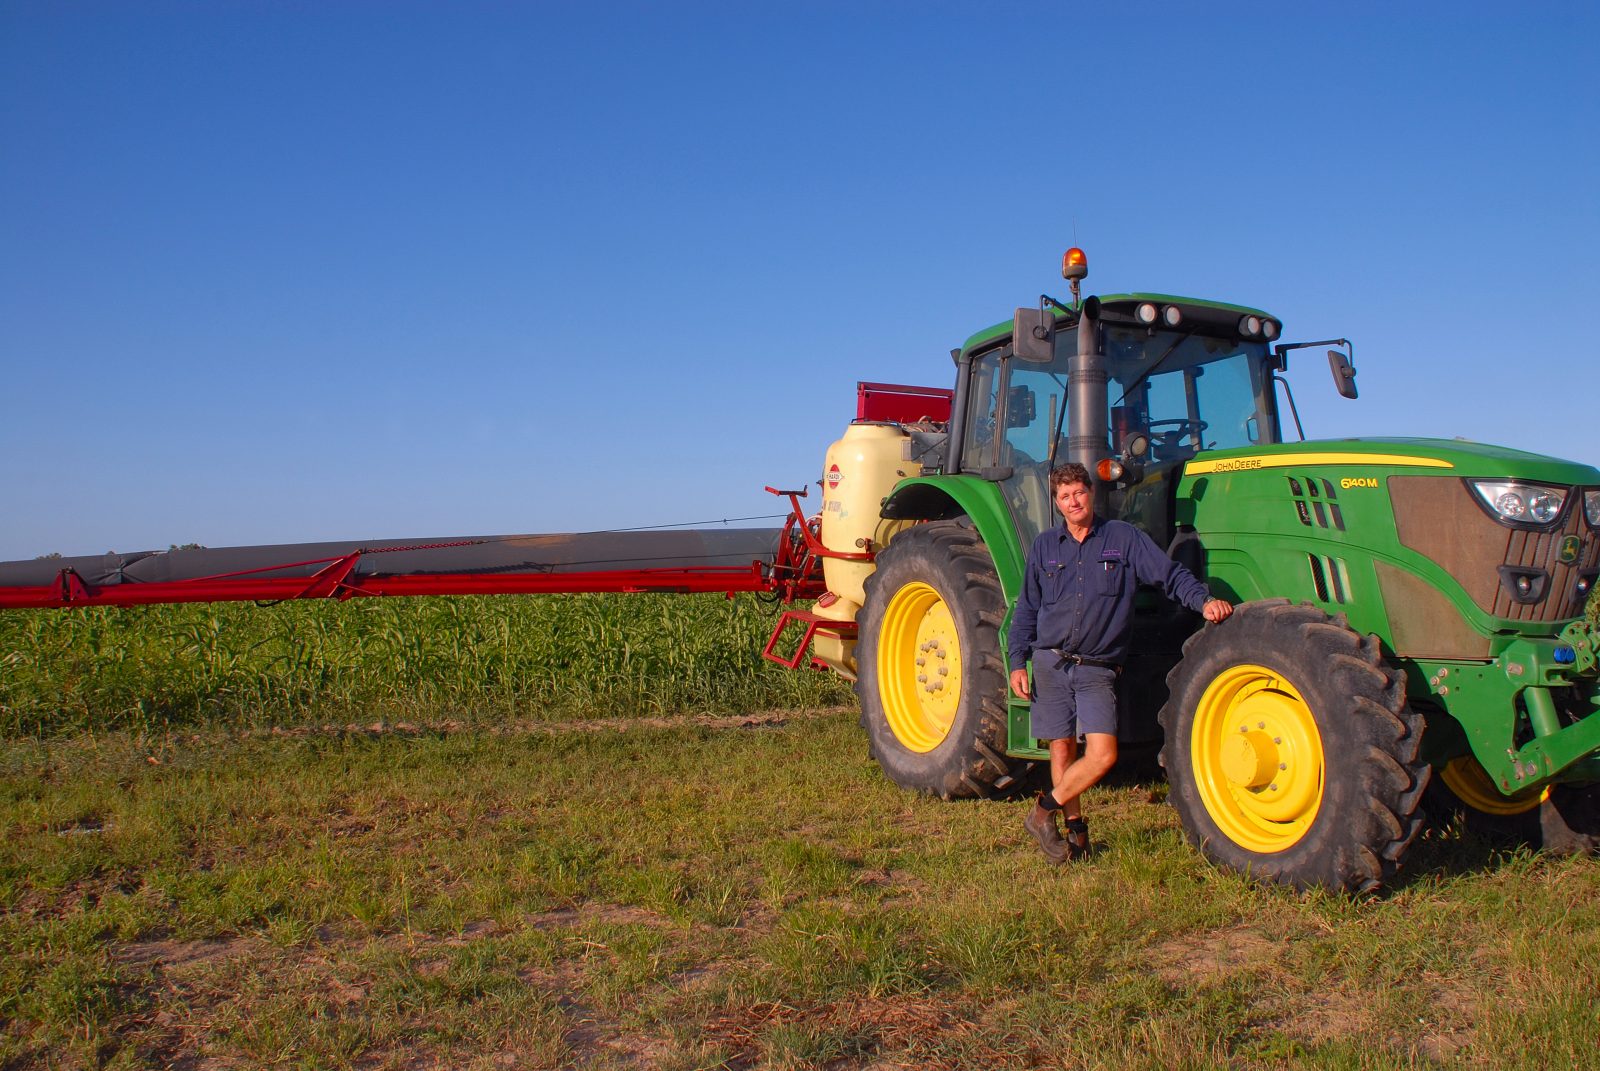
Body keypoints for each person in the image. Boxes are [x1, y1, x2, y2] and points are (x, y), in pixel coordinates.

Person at [1008, 462, 1233, 863]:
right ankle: (1074, 833)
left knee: (1102, 754)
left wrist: (1203, 601)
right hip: (1051, 662)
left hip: (1097, 666)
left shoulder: (1123, 538)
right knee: (1061, 748)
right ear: (1057, 504)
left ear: (1090, 494)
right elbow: (1028, 606)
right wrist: (1017, 660)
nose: (1073, 501)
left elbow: (1168, 575)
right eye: (1065, 496)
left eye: (1079, 492)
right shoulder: (1045, 546)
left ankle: (1044, 810)